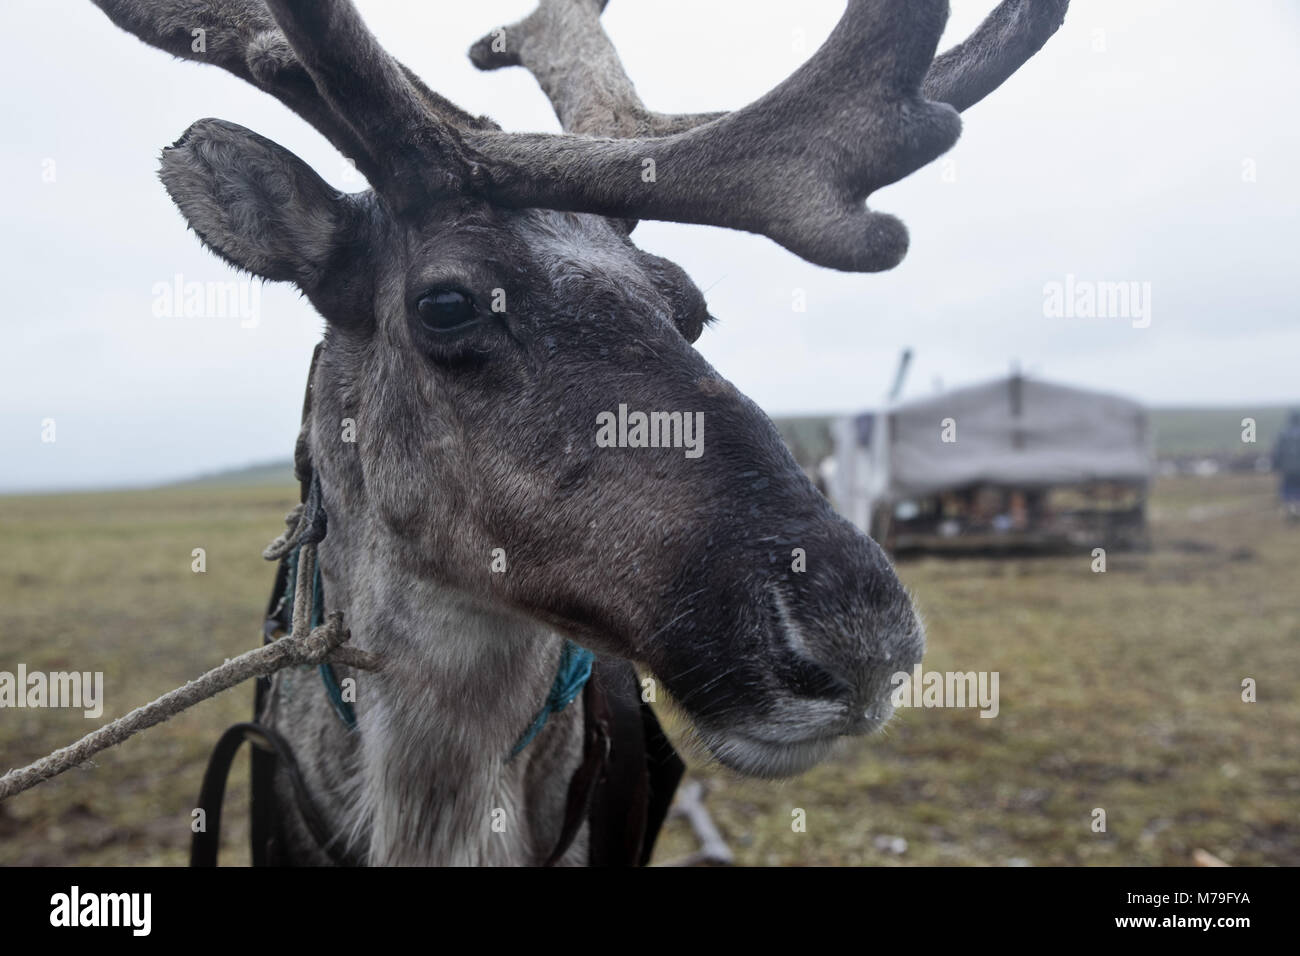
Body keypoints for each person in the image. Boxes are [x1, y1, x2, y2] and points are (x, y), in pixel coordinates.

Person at [1273, 410, 1300, 520]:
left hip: (1287, 468)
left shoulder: (1283, 434)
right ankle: (1297, 508)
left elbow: (1278, 451)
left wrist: (1276, 464)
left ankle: (1290, 507)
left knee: (1288, 488)